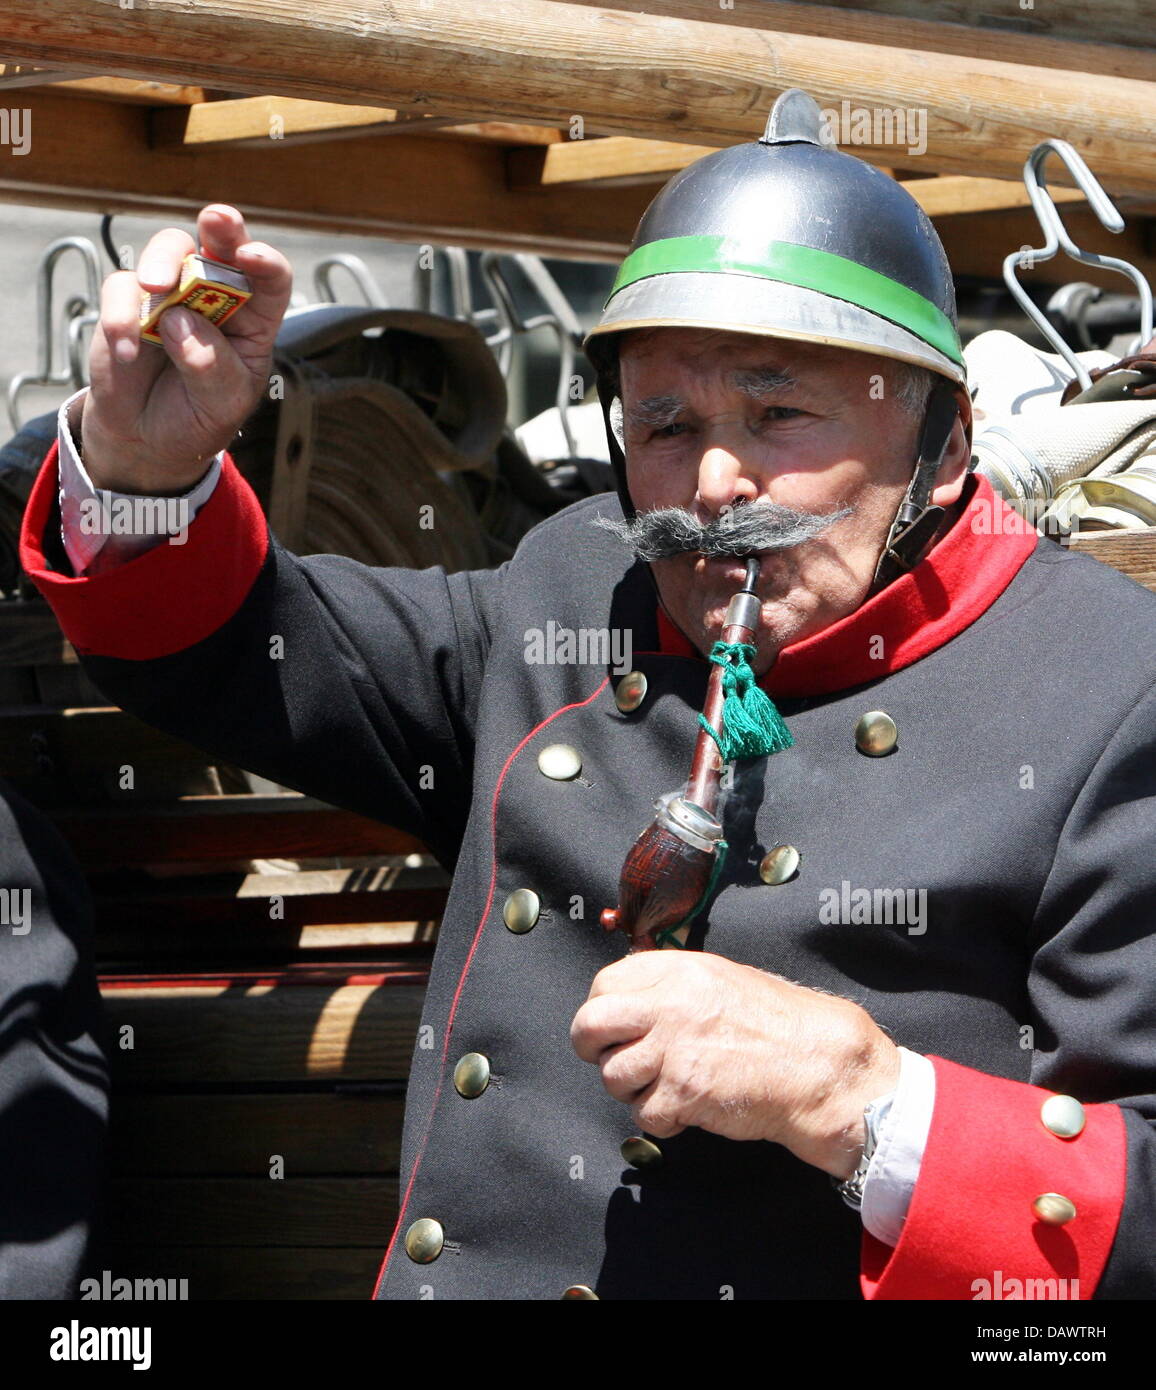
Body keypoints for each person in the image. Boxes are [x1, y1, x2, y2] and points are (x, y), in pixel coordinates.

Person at [17, 89, 1156, 1300]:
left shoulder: (1105, 684)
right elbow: (247, 655)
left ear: (943, 441)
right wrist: (148, 471)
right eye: (663, 424)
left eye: (778, 416)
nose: (714, 480)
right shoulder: (577, 583)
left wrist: (859, 1099)